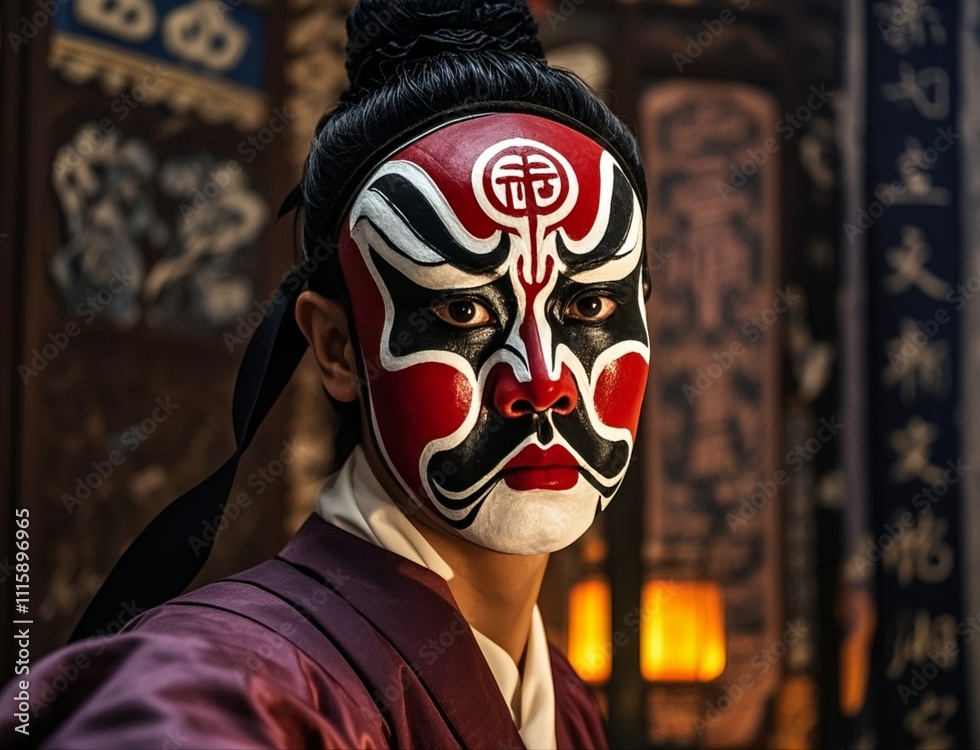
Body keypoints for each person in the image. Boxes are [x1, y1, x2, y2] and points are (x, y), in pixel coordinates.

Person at [2, 0, 649, 747]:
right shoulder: (230, 688)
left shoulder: (565, 707)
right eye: (465, 314)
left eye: (590, 301)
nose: (545, 381)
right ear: (338, 348)